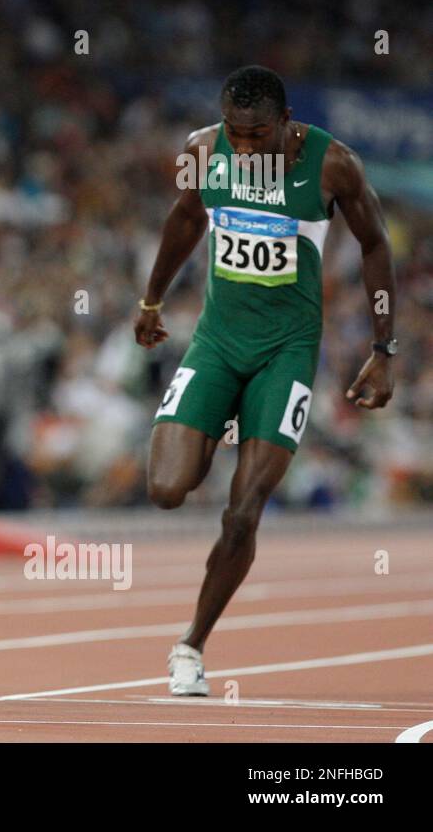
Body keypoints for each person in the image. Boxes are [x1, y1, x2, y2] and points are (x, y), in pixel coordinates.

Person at [135, 65, 396, 695]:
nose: (245, 147)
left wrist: (384, 346)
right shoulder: (204, 149)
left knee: (244, 512)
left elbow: (375, 244)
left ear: (286, 123)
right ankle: (224, 418)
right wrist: (151, 301)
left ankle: (190, 645)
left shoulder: (334, 164)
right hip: (218, 342)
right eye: (236, 132)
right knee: (168, 488)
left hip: (287, 350)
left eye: (258, 135)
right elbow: (185, 218)